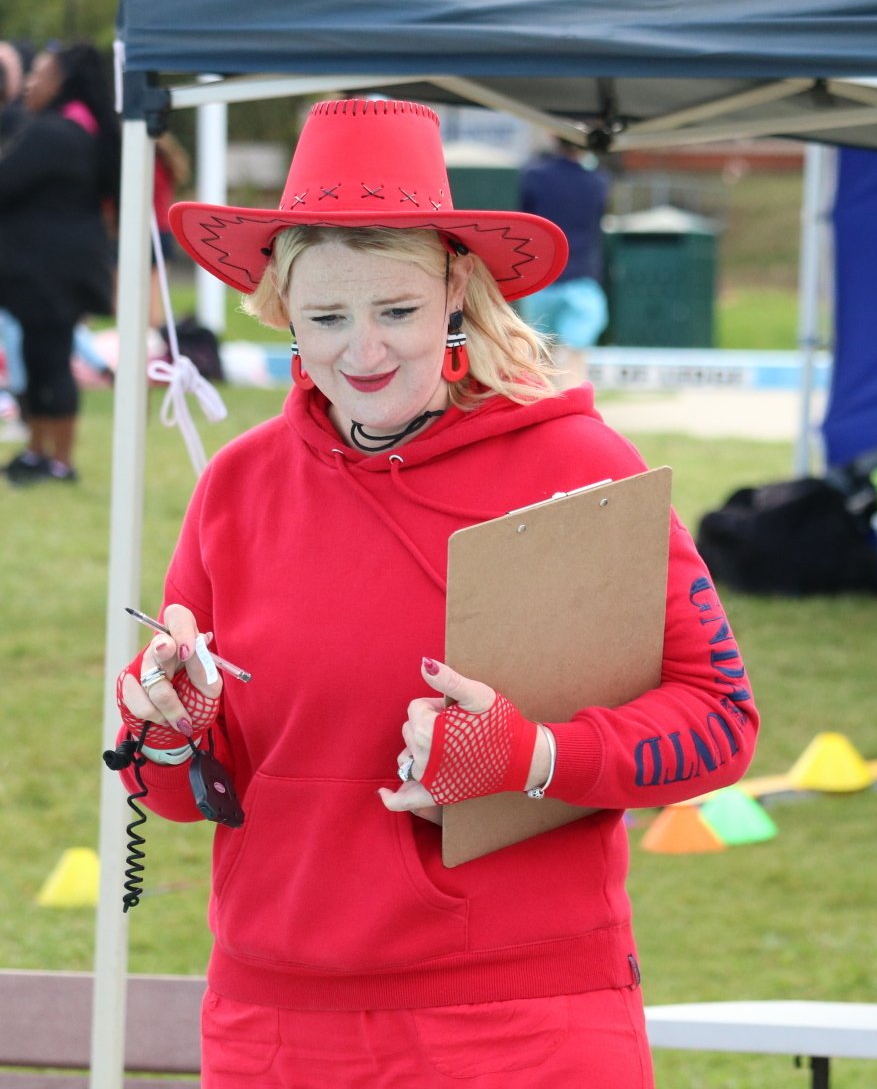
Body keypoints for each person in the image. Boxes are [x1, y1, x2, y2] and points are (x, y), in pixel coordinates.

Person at [119, 98, 758, 1087]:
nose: (363, 353)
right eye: (327, 317)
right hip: (278, 1024)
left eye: (398, 311)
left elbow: (721, 718)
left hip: (522, 1020)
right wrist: (171, 719)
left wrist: (531, 753)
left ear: (458, 286)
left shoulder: (577, 462)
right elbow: (176, 791)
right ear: (282, 308)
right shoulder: (237, 485)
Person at [0, 43, 120, 485]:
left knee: (50, 361)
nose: (31, 84)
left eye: (40, 74)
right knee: (43, 359)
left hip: (47, 272)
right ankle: (39, 453)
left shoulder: (54, 133)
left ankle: (59, 461)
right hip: (56, 268)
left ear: (63, 82)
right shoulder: (84, 131)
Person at [514, 134, 610, 379]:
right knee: (575, 356)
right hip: (582, 277)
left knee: (538, 355)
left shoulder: (534, 177)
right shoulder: (598, 182)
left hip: (541, 277)